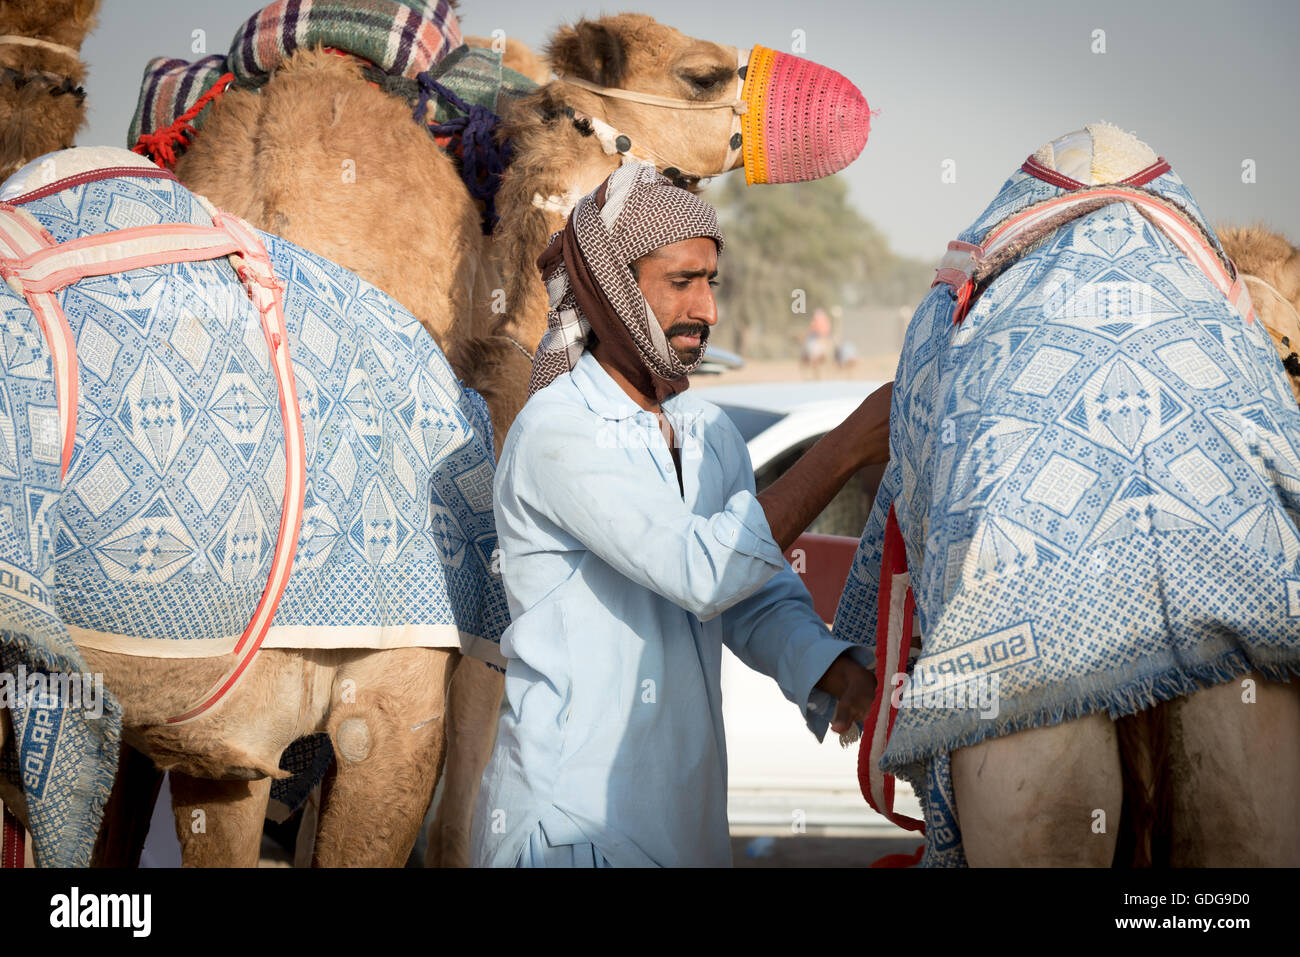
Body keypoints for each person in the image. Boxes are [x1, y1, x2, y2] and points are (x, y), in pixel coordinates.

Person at [470, 163, 893, 867]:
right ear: (613, 290)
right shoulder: (559, 431)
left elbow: (749, 598)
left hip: (682, 829)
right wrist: (844, 447)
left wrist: (838, 672)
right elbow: (702, 573)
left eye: (712, 282)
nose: (707, 309)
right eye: (681, 283)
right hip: (570, 829)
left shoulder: (708, 431)